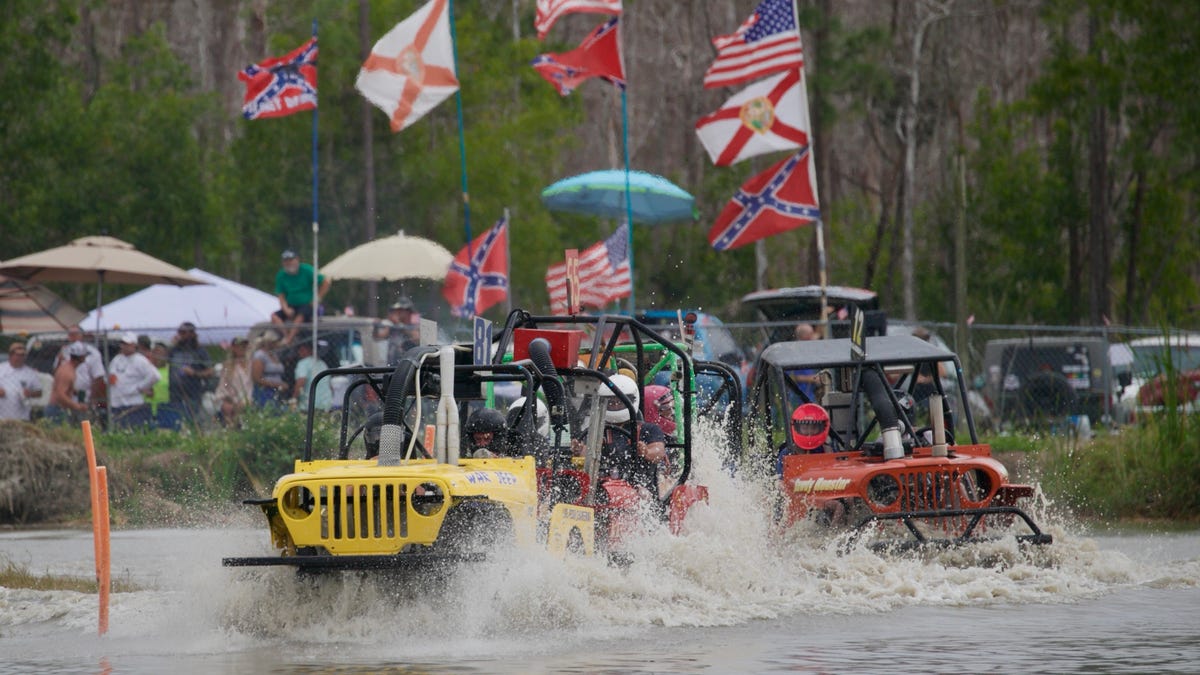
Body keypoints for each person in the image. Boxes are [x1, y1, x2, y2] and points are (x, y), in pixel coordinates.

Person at [587, 374, 668, 500]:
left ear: (631, 400)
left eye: (619, 402)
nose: (614, 405)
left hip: (640, 489)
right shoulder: (597, 431)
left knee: (637, 495)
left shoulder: (649, 430)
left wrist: (646, 451)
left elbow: (659, 452)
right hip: (603, 488)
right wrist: (580, 450)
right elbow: (585, 454)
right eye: (611, 403)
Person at [271, 249, 331, 345]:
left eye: (291, 260)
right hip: (291, 305)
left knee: (300, 317)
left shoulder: (307, 270)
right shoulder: (281, 275)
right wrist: (285, 309)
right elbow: (281, 295)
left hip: (306, 304)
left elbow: (326, 282)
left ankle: (290, 339)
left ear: (297, 260)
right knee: (274, 316)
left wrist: (317, 298)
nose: (288, 263)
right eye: (286, 261)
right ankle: (286, 336)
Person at [107, 332, 160, 429]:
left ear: (134, 345)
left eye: (127, 344)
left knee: (134, 429)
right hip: (116, 402)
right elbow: (109, 374)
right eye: (122, 344)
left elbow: (155, 376)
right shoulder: (117, 359)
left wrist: (140, 387)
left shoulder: (140, 360)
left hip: (132, 403)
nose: (124, 346)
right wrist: (110, 379)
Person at [167, 321, 214, 425]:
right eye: (179, 332)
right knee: (175, 419)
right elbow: (162, 362)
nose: (180, 335)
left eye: (184, 333)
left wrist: (194, 373)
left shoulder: (199, 351)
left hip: (192, 392)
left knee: (190, 419)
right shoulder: (174, 350)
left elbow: (210, 371)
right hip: (175, 392)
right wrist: (170, 345)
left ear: (191, 334)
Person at [53, 325, 104, 410]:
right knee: (72, 422)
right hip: (67, 400)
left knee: (86, 422)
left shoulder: (92, 353)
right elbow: (57, 377)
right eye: (70, 334)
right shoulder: (64, 353)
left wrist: (92, 398)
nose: (72, 337)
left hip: (84, 397)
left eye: (75, 334)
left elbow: (98, 377)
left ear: (81, 335)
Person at [779, 402, 832, 473]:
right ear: (797, 428)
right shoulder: (787, 453)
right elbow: (780, 480)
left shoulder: (827, 450)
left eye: (814, 428)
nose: (809, 432)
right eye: (805, 428)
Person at [46, 342, 90, 423]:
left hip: (60, 409)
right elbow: (60, 395)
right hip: (56, 410)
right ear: (80, 357)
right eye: (84, 356)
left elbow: (63, 389)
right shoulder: (67, 372)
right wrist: (77, 406)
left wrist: (73, 391)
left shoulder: (69, 369)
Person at [215, 336, 253, 428]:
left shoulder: (251, 364)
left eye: (244, 346)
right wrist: (226, 398)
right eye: (240, 346)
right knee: (228, 408)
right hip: (232, 397)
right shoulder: (228, 366)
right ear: (234, 348)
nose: (243, 349)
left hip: (248, 397)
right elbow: (224, 384)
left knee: (243, 407)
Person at [0, 342, 43, 421]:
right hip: (2, 416)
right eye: (17, 355)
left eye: (22, 355)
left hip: (22, 417)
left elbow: (39, 392)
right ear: (10, 356)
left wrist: (30, 393)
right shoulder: (1, 369)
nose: (20, 358)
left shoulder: (30, 373)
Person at [251, 330, 289, 408]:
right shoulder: (259, 355)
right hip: (265, 391)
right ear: (269, 343)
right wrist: (277, 385)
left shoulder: (274, 355)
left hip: (277, 392)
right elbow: (257, 378)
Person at [293, 339, 331, 412]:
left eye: (302, 349)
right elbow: (330, 385)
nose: (299, 352)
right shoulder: (322, 363)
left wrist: (294, 398)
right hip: (325, 403)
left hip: (309, 403)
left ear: (309, 349)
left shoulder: (303, 363)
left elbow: (301, 381)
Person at [789, 323, 822, 404]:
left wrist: (824, 312)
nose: (813, 336)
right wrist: (812, 379)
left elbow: (820, 333)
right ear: (804, 336)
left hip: (810, 393)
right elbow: (794, 377)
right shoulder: (796, 352)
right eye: (811, 334)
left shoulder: (807, 349)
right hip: (801, 395)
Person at [385, 297, 420, 364]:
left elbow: (416, 337)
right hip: (391, 364)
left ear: (408, 311)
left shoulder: (415, 324)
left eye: (400, 310)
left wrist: (399, 324)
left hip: (407, 365)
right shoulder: (394, 325)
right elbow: (378, 336)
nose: (398, 312)